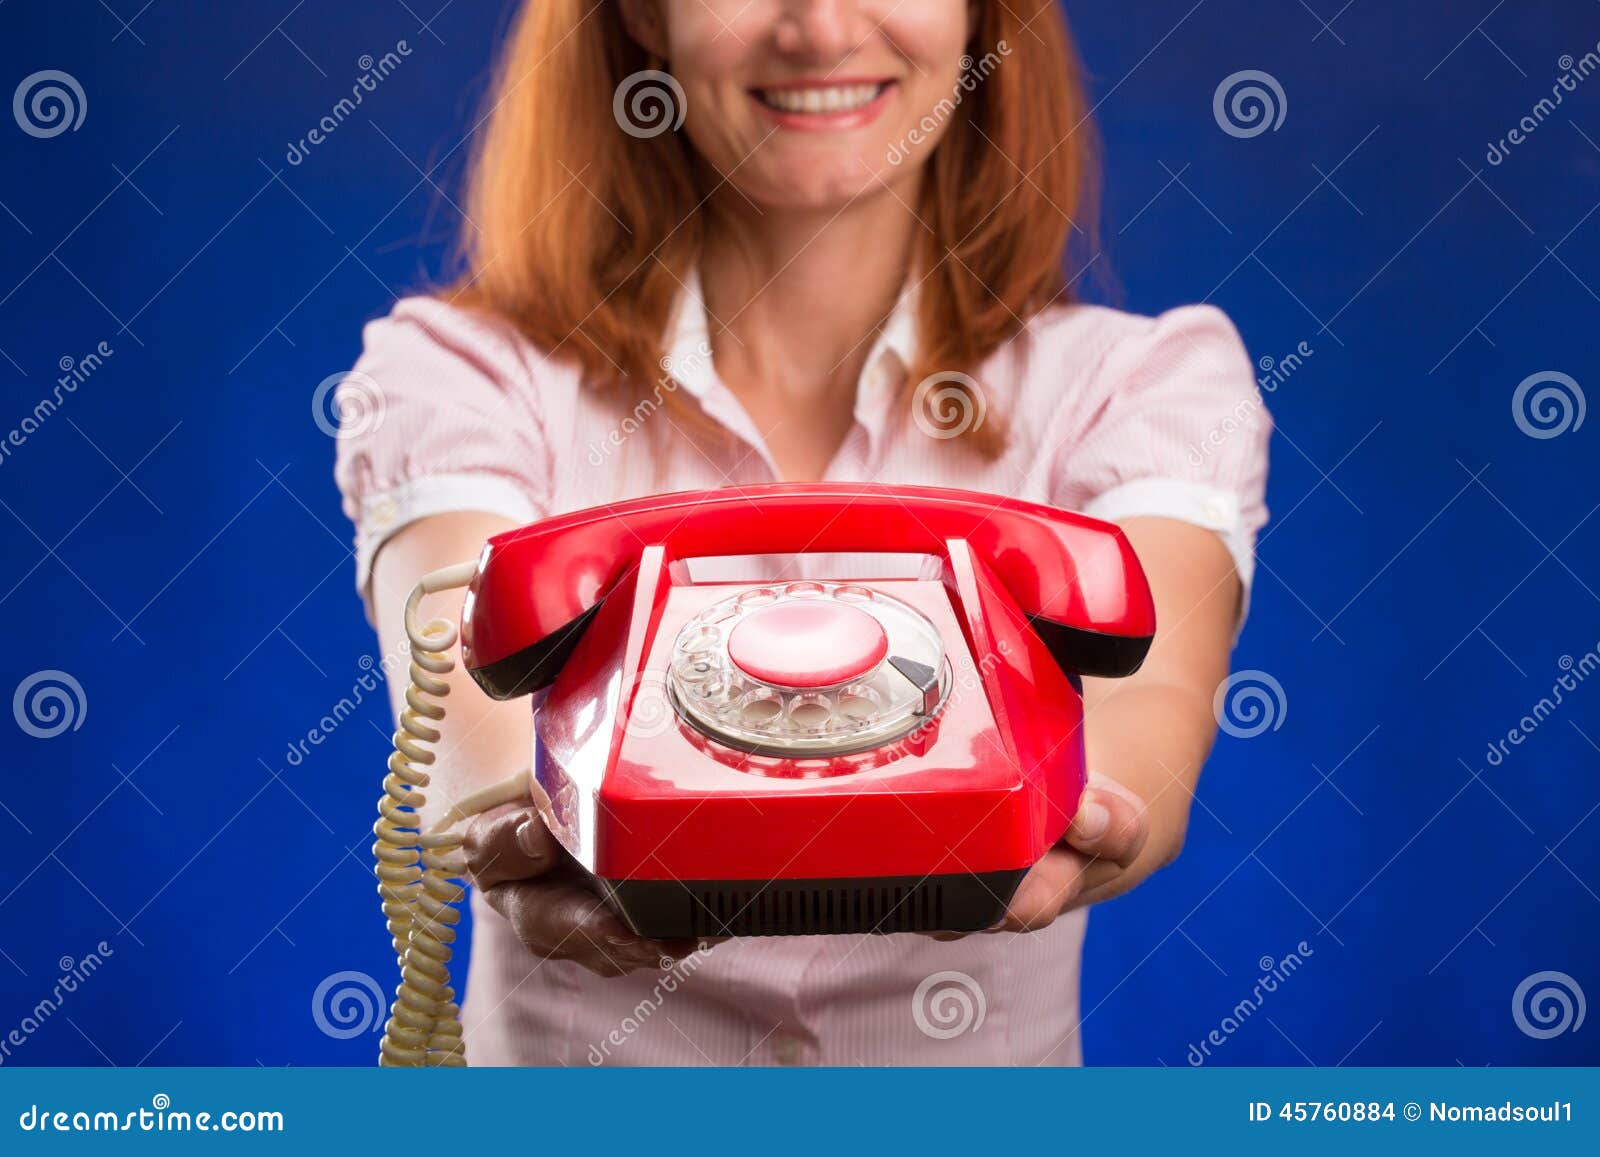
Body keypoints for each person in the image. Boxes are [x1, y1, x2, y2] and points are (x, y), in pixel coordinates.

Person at [335, 0, 1270, 1065]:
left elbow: (1141, 713)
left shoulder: (1141, 386)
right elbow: (479, 741)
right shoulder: (462, 374)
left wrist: (1096, 810)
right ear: (643, 17)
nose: (821, 30)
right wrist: (539, 828)